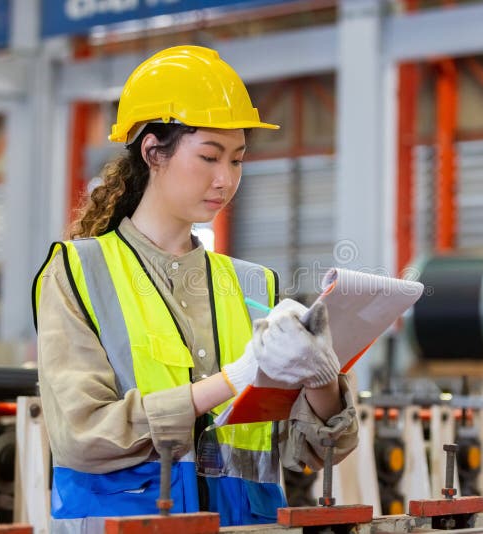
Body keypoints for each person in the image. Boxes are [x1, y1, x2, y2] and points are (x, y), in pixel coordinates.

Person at [32, 46, 358, 533]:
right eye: (209, 157)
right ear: (152, 151)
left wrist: (324, 379)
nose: (225, 180)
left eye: (238, 160)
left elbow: (306, 452)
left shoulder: (253, 284)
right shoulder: (78, 273)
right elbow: (83, 434)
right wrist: (230, 381)